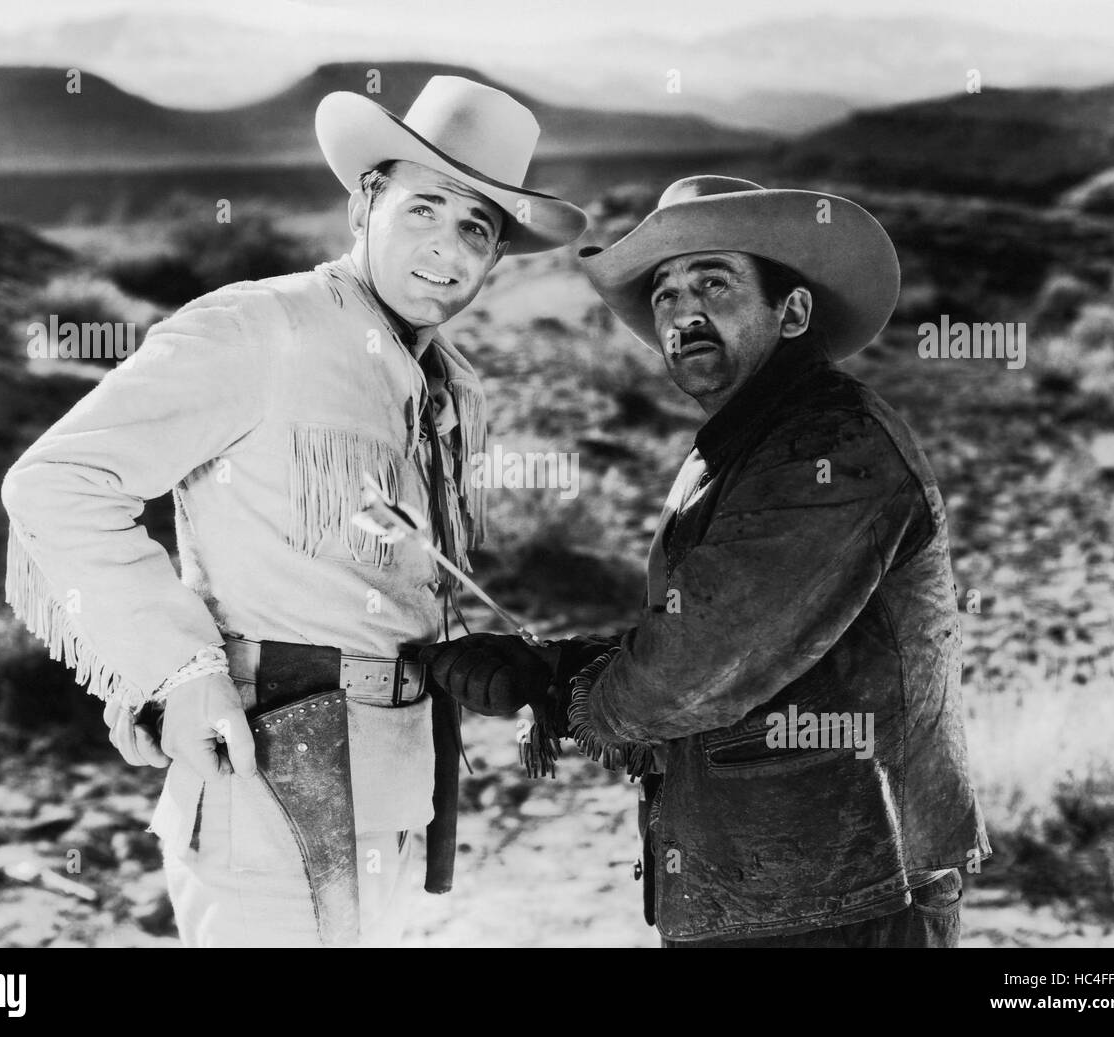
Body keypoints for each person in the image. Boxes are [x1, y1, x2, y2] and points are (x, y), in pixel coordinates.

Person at [0, 75, 586, 947]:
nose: (448, 249)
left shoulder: (438, 384)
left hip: (388, 786)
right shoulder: (262, 328)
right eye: (425, 209)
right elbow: (58, 480)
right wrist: (179, 673)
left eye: (478, 228)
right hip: (267, 777)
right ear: (365, 203)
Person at [420, 175, 991, 947]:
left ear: (792, 312)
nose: (682, 313)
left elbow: (706, 658)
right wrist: (549, 670)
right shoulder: (735, 451)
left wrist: (569, 691)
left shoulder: (830, 445)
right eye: (663, 295)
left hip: (845, 899)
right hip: (773, 890)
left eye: (713, 284)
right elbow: (708, 641)